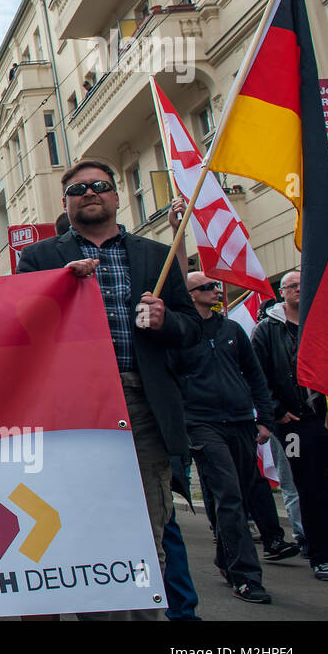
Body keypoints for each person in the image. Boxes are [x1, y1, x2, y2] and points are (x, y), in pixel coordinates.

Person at [16, 160, 200, 617]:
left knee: (145, 527)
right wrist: (57, 290)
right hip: (73, 410)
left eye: (99, 186)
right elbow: (19, 328)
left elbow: (193, 329)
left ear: (117, 196)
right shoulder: (40, 259)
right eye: (78, 189)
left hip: (141, 403)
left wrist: (165, 321)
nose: (89, 193)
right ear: (66, 203)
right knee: (84, 526)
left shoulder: (156, 255)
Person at [169, 272, 278, 603]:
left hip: (242, 421)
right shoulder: (181, 335)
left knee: (240, 496)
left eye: (215, 285)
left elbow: (254, 373)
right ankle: (245, 575)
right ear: (190, 295)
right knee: (228, 495)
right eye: (207, 287)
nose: (215, 290)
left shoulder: (232, 329)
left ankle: (224, 555)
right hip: (202, 424)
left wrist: (265, 419)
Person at [252, 270, 328, 581]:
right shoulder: (267, 331)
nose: (299, 290)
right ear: (283, 292)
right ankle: (321, 554)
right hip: (295, 424)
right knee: (310, 486)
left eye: (304, 285)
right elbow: (257, 376)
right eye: (292, 286)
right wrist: (276, 412)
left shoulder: (326, 322)